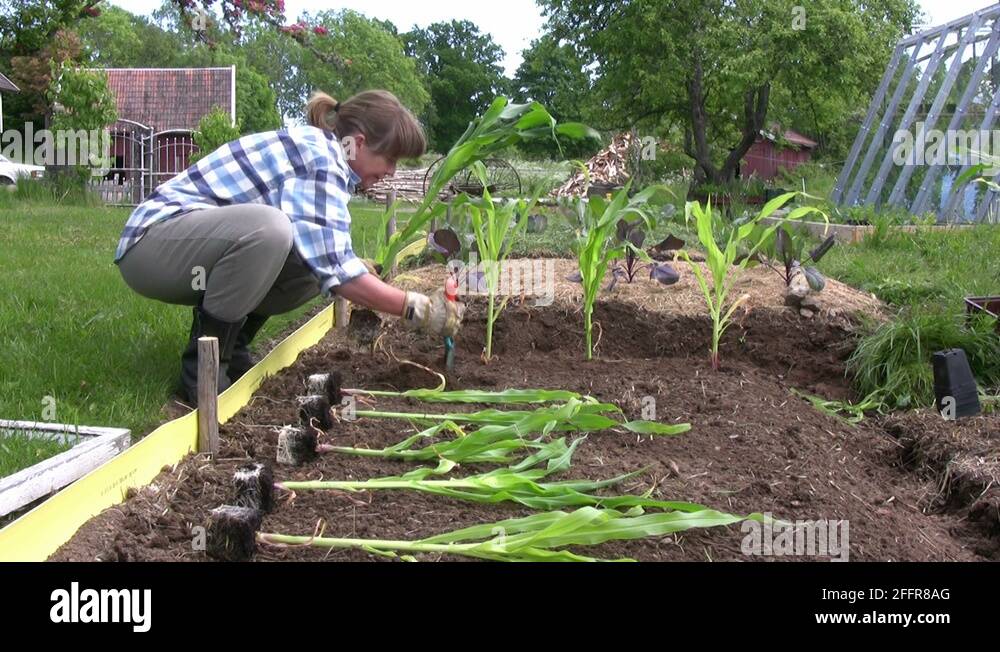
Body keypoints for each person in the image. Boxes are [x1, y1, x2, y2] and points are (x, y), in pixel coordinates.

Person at [113, 89, 464, 405]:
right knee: (272, 231)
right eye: (390, 159)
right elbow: (340, 273)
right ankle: (200, 375)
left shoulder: (326, 155)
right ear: (359, 142)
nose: (390, 172)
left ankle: (232, 349)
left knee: (306, 266)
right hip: (152, 244)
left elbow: (327, 257)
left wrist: (356, 268)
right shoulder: (322, 160)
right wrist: (413, 307)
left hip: (189, 251)